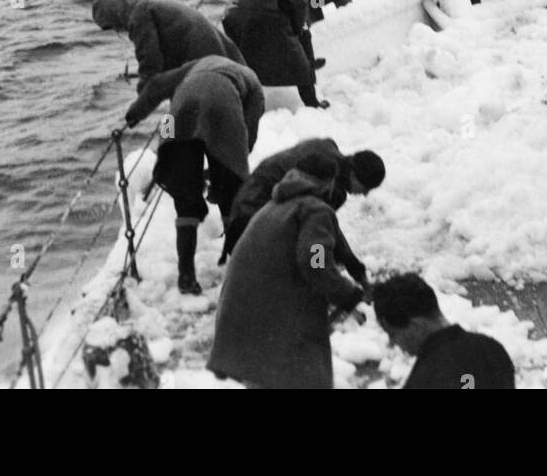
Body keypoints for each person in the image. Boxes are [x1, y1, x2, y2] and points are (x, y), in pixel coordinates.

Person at [208, 151, 365, 389]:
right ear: (329, 183)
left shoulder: (276, 204)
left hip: (241, 316)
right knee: (305, 378)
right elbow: (316, 263)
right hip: (273, 321)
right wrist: (350, 298)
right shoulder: (315, 211)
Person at [124, 54, 265, 295]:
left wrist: (134, 115)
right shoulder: (252, 81)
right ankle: (242, 268)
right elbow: (247, 133)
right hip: (224, 106)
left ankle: (186, 276)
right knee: (232, 195)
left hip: (178, 111)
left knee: (185, 199)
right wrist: (231, 162)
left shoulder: (196, 66)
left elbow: (157, 85)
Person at [220, 137, 385, 262]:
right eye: (366, 187)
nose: (364, 194)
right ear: (354, 175)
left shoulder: (326, 151)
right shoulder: (328, 188)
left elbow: (325, 229)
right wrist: (327, 273)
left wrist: (350, 263)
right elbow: (316, 243)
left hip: (241, 217)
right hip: (250, 235)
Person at [372, 274, 515, 389]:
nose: (393, 343)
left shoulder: (426, 377)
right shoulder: (493, 350)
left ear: (416, 327)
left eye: (393, 334)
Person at [223, 0, 327, 109]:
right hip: (268, 14)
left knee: (244, 59)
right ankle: (311, 101)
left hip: (236, 19)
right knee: (303, 41)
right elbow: (300, 5)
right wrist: (298, 31)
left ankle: (243, 103)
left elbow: (230, 19)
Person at [90, 0, 244, 91]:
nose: (116, 30)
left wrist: (144, 94)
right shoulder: (147, 5)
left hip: (207, 61)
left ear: (114, 16)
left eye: (111, 26)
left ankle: (168, 138)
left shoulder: (138, 15)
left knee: (176, 105)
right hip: (224, 57)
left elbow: (149, 59)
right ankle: (169, 137)